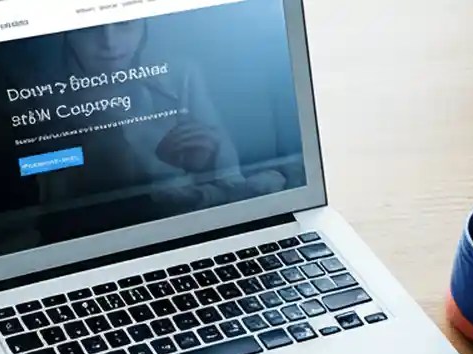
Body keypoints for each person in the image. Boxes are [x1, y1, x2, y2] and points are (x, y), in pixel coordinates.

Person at [42, 19, 288, 213]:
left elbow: (228, 173)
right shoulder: (42, 96)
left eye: (126, 22)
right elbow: (36, 171)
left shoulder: (180, 74)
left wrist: (209, 162)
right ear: (66, 32)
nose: (110, 42)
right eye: (88, 28)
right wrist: (101, 156)